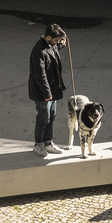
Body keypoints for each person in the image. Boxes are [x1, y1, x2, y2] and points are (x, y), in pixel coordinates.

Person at [28, 24, 68, 157]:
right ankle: (39, 144)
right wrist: (47, 94)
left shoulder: (49, 45)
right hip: (43, 93)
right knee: (43, 119)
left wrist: (62, 43)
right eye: (56, 40)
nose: (57, 43)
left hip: (52, 90)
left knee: (51, 117)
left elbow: (55, 47)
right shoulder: (38, 51)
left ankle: (48, 142)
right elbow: (40, 76)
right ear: (49, 37)